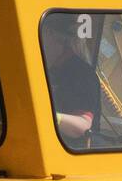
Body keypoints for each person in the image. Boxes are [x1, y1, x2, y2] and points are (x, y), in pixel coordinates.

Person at [41, 12, 100, 143]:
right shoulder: (48, 69)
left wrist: (49, 116)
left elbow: (82, 126)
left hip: (70, 154)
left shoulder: (81, 74)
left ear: (51, 35)